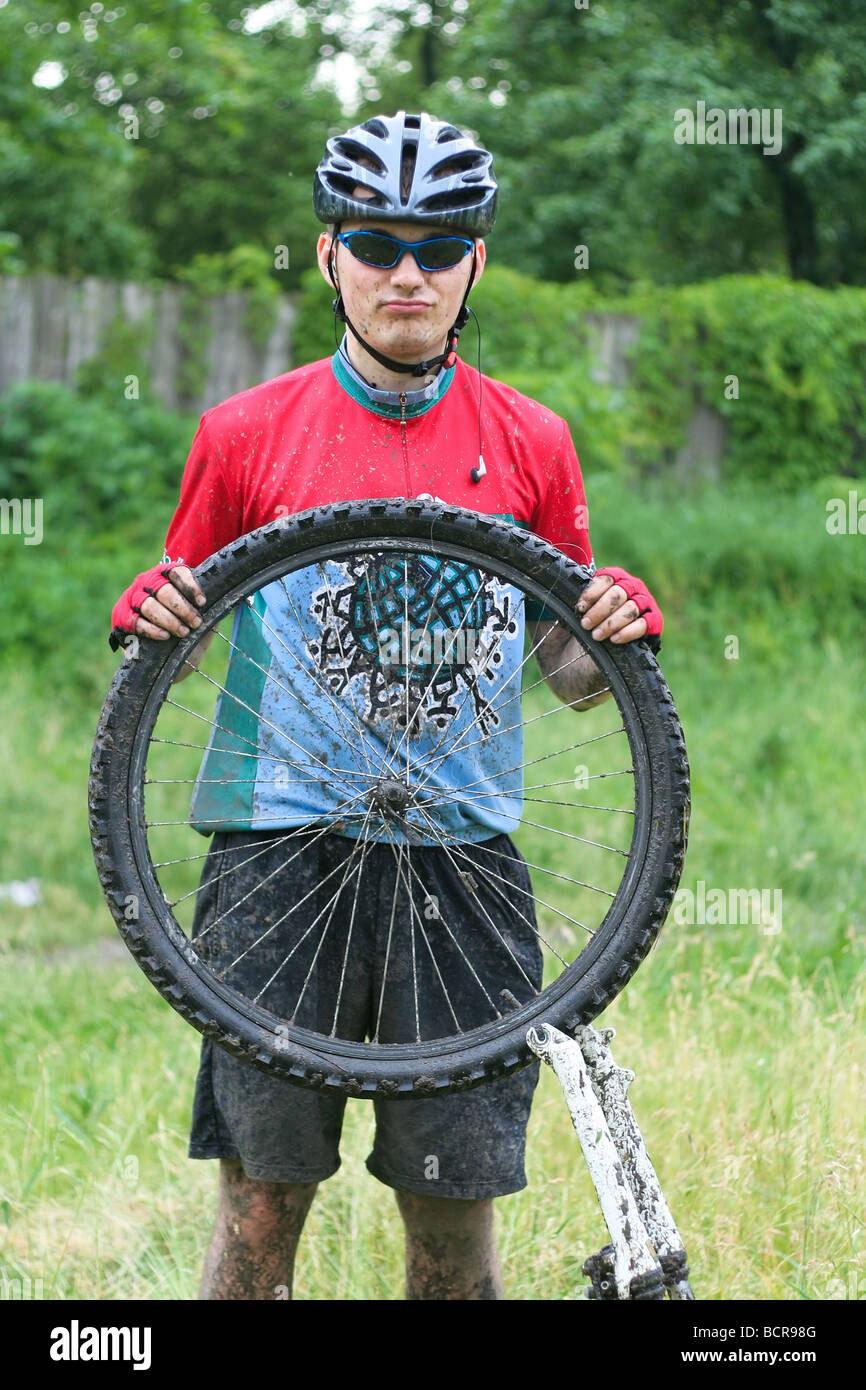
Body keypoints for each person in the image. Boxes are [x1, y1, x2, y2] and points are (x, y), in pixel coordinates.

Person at [108, 111, 663, 1301]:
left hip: (461, 857)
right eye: (373, 241)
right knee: (261, 1204)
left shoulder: (532, 440)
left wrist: (608, 630)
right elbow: (176, 628)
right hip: (277, 853)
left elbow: (565, 674)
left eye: (437, 244)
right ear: (327, 257)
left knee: (454, 1214)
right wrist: (151, 607)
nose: (404, 271)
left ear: (476, 263)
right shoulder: (243, 432)